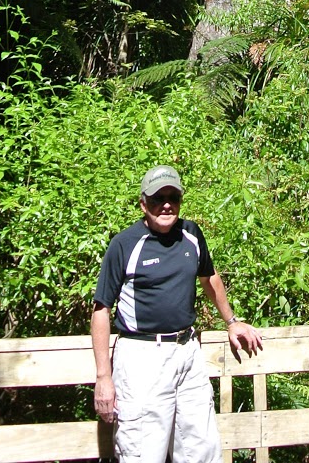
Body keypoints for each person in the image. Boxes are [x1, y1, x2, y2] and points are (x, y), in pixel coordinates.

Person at [91, 164, 263, 462]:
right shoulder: (125, 245)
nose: (167, 205)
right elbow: (101, 309)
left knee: (201, 449)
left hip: (188, 352)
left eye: (174, 197)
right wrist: (103, 377)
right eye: (158, 199)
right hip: (142, 357)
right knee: (142, 453)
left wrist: (231, 322)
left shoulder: (191, 234)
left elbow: (209, 277)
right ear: (143, 203)